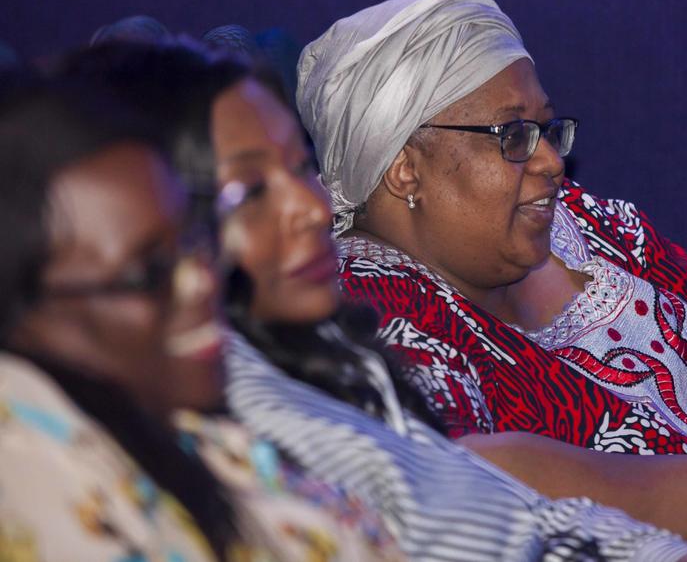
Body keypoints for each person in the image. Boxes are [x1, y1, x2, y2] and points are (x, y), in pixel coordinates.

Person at [61, 39, 687, 562]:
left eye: (301, 169)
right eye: (250, 192)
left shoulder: (321, 357)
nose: (310, 206)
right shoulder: (367, 309)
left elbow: (514, 515)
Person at [295, 0, 687, 560]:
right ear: (404, 170)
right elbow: (456, 478)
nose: (550, 160)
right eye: (512, 135)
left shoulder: (576, 222)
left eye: (545, 128)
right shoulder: (371, 308)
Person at [0, 76, 400, 561]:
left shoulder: (192, 432)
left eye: (194, 241)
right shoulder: (28, 465)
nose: (203, 282)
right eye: (148, 273)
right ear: (20, 307)